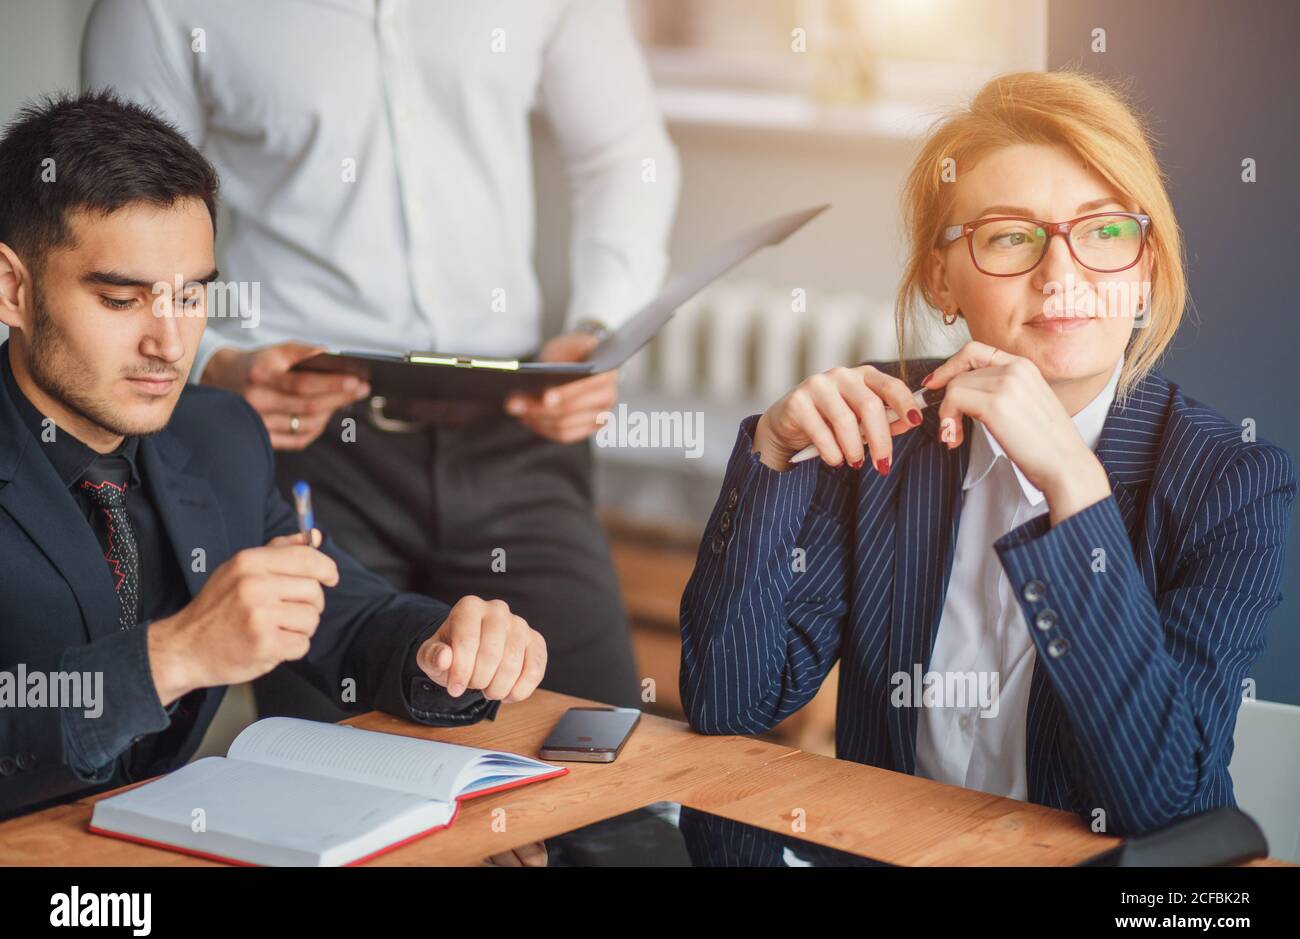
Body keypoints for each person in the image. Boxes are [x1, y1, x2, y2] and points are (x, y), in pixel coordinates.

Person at [678, 71, 1297, 837]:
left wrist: (1073, 485)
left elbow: (1169, 808)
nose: (1061, 276)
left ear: (1144, 273)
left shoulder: (1232, 482)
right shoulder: (887, 434)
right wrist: (772, 454)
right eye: (1011, 236)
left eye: (1103, 232)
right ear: (942, 278)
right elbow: (728, 703)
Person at [81, 0, 680, 716]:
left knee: (599, 753)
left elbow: (626, 157)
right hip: (304, 445)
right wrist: (212, 362)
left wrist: (598, 327)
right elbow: (115, 220)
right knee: (342, 779)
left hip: (517, 437)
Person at [0, 91, 546, 821]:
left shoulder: (219, 435)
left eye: (191, 296)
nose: (169, 343)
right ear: (13, 288)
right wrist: (174, 656)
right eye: (123, 301)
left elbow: (346, 620)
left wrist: (443, 649)